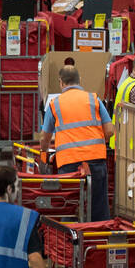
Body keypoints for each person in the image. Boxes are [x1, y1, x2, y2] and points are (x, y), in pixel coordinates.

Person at [38, 65, 114, 221]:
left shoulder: (55, 104)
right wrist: (98, 143)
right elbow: (110, 131)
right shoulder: (94, 99)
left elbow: (44, 137)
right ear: (80, 80)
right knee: (99, 206)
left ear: (61, 82)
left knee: (68, 206)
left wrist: (44, 155)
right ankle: (95, 238)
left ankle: (68, 238)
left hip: (68, 162)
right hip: (96, 159)